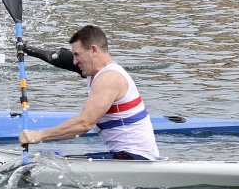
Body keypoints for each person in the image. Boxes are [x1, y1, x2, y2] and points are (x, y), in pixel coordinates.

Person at [16, 25, 159, 160]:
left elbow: (84, 123)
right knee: (54, 160)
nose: (74, 61)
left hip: (136, 158)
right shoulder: (93, 68)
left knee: (51, 162)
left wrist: (39, 135)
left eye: (77, 55)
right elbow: (59, 58)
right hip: (122, 155)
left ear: (94, 50)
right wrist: (27, 49)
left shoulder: (109, 78)